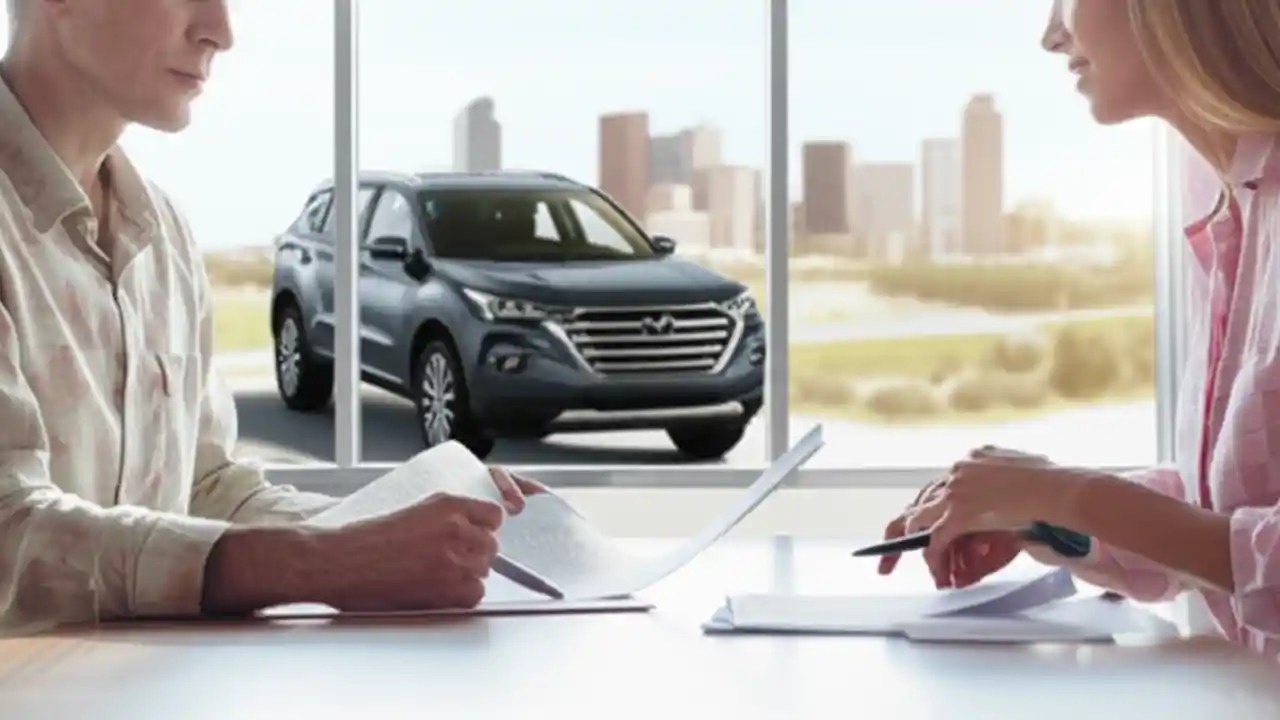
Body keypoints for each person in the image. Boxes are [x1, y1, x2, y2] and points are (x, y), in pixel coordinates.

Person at [0, 0, 541, 635]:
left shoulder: (161, 232)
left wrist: (406, 522)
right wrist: (324, 563)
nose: (220, 32)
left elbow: (203, 488)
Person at [879, 0, 1280, 658]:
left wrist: (1068, 494)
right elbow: (1229, 522)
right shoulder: (1229, 199)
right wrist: (1045, 512)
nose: (1050, 34)